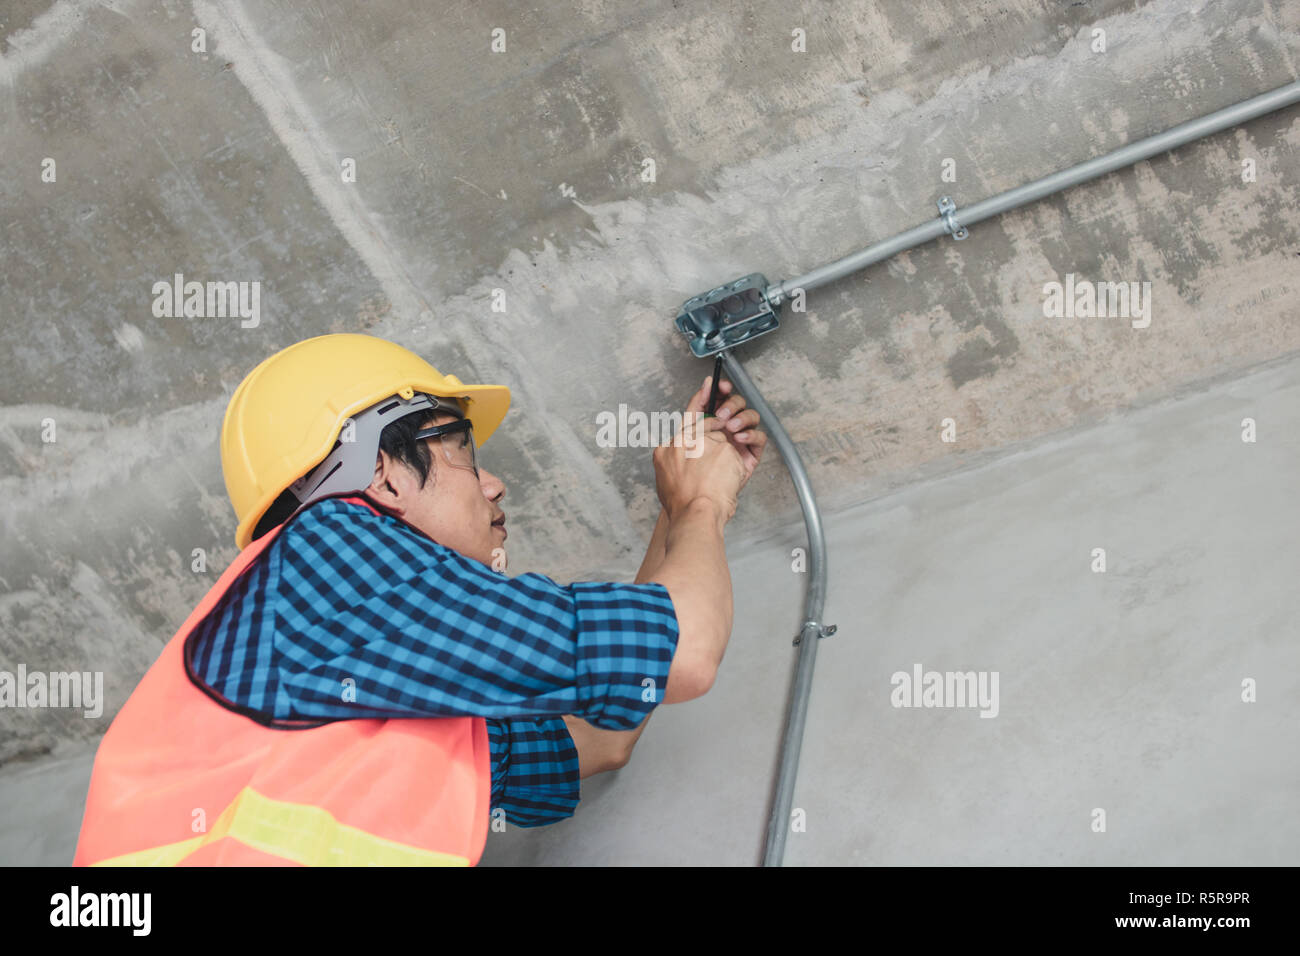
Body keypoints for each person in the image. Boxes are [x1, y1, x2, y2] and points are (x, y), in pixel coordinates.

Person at [73, 332, 765, 866]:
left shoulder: (387, 680)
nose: (492, 483)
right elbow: (690, 652)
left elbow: (600, 736)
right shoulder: (328, 546)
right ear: (381, 474)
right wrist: (705, 500)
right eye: (461, 448)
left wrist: (677, 511)